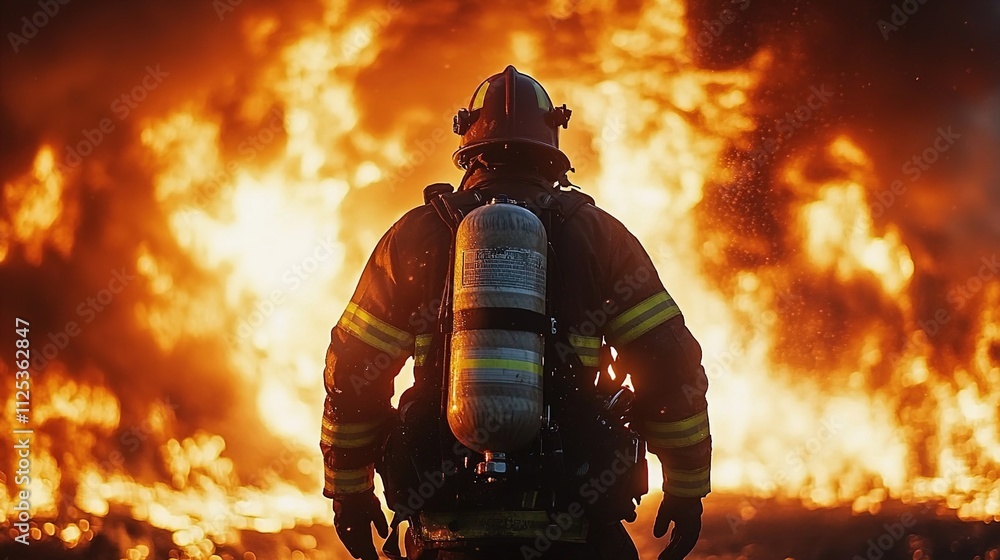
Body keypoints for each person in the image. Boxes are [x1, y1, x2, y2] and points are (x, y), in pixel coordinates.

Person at [320, 66, 711, 560]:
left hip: (446, 528)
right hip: (573, 525)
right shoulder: (599, 237)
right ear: (552, 148)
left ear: (467, 144)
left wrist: (349, 492)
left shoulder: (417, 235)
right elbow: (669, 366)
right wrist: (687, 485)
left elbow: (353, 369)